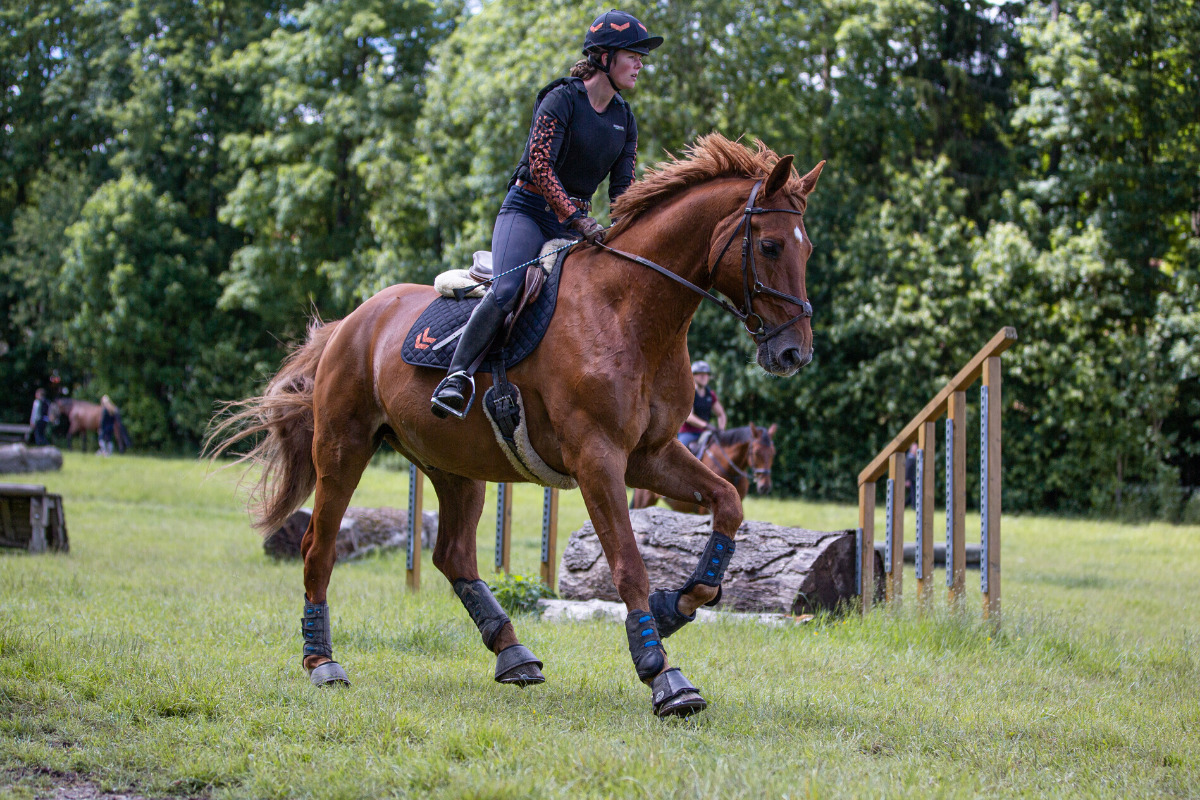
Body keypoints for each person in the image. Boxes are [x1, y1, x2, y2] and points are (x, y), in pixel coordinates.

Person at [431, 9, 663, 418]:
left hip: (577, 223)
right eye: (633, 54)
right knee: (506, 289)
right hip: (528, 209)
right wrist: (578, 219)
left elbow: (622, 190)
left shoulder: (625, 120)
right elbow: (541, 167)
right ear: (605, 57)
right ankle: (457, 376)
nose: (641, 63)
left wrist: (635, 230)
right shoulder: (561, 98)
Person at [678, 361, 726, 451]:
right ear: (693, 376)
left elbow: (721, 414)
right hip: (688, 433)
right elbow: (689, 416)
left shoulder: (710, 394)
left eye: (706, 374)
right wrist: (706, 425)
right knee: (678, 453)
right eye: (700, 374)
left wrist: (721, 430)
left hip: (706, 433)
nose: (704, 377)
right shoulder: (688, 393)